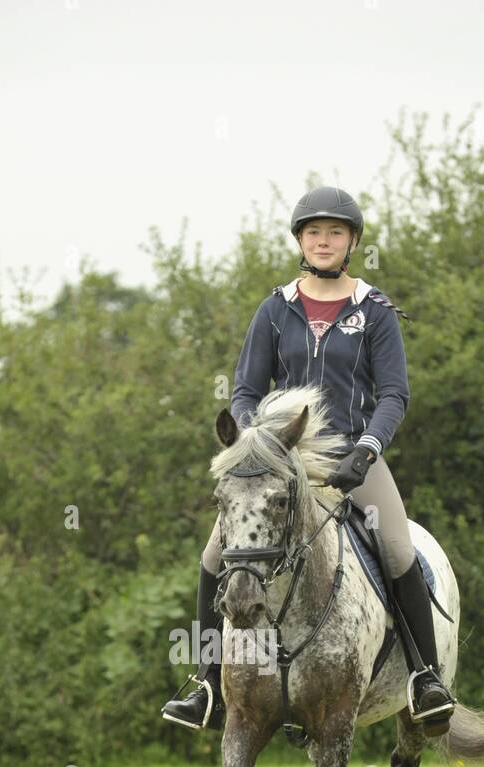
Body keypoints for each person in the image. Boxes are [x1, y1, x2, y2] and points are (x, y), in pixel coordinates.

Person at [161, 184, 456, 737]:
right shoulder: (274, 310)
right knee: (212, 556)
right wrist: (260, 441)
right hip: (282, 462)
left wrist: (368, 449)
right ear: (301, 240)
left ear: (351, 242)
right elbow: (245, 391)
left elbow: (394, 395)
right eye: (314, 232)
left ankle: (425, 677)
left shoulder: (374, 311)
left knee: (396, 547)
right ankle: (205, 682)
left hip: (352, 457)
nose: (324, 241)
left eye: (335, 232)